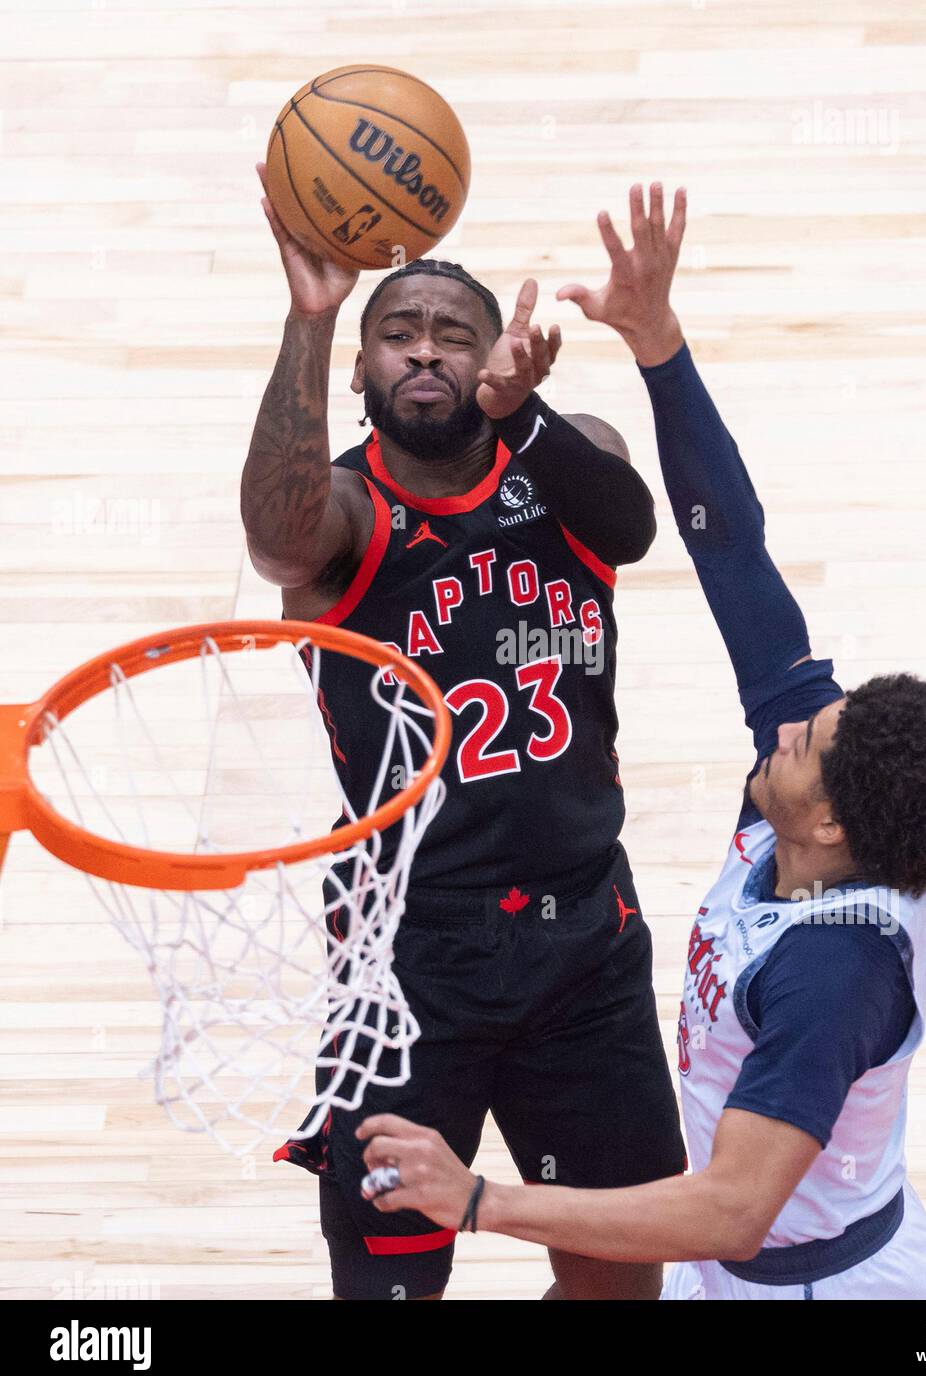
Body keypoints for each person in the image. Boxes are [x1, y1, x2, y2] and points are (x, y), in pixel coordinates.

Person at [357, 183, 926, 1300]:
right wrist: (659, 345)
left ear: (832, 816)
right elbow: (734, 555)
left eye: (809, 738)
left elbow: (730, 1210)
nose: (789, 721)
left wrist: (479, 1201)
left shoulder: (832, 972)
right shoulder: (805, 811)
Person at [241, 167, 686, 1301]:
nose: (427, 352)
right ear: (362, 369)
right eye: (399, 334)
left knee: (618, 1277)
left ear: (498, 358)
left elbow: (633, 529)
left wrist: (519, 417)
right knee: (390, 1288)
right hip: (404, 963)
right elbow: (277, 542)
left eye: (454, 335)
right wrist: (312, 312)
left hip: (583, 942)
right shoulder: (342, 512)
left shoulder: (567, 452)